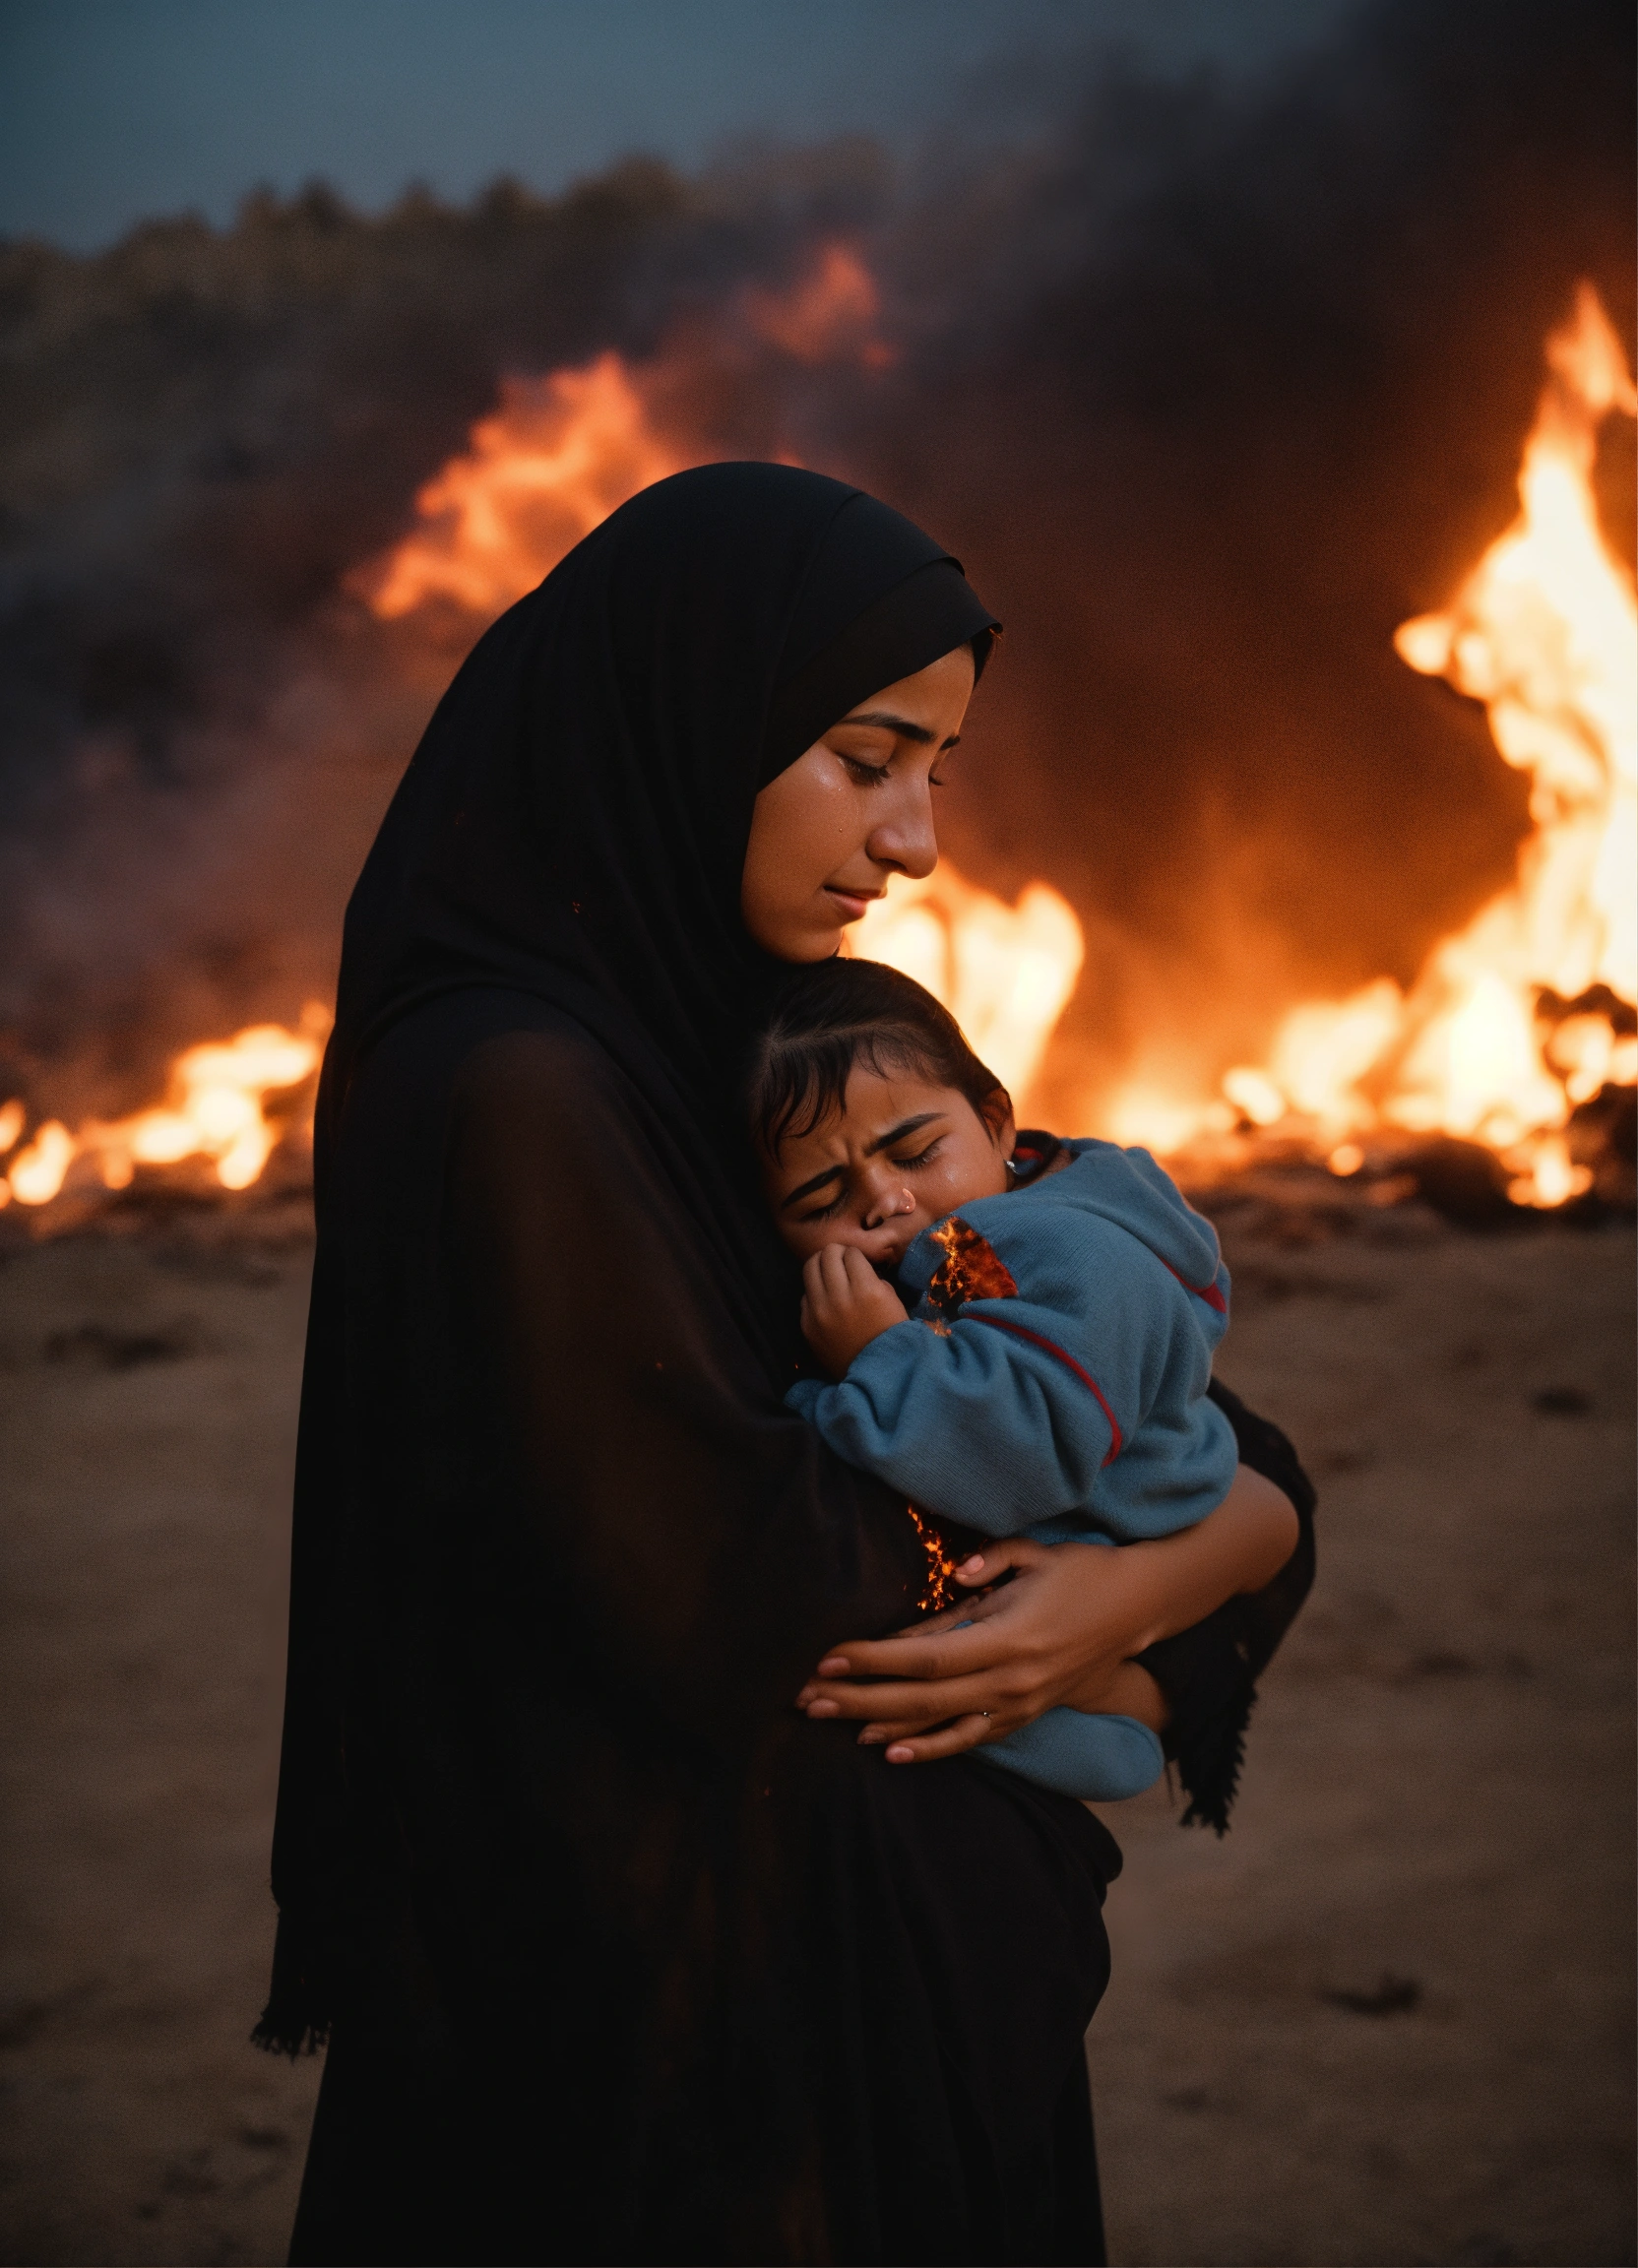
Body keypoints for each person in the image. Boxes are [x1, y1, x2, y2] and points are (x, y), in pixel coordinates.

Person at [258, 462, 1315, 2266]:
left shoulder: (754, 1044)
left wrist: (1201, 1546)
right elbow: (754, 1581)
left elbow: (1106, 1344)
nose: (914, 840)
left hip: (852, 2003)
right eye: (861, 754)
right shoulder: (515, 1092)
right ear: (691, 711)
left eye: (935, 772)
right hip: (672, 2073)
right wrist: (1165, 1573)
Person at [748, 954, 1291, 1804]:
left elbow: (1016, 1453)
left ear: (998, 1123)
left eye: (916, 1152)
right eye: (821, 1200)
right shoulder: (980, 1240)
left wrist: (868, 1362)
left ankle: (1101, 1704)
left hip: (1106, 1520)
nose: (886, 1201)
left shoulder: (1048, 1249)